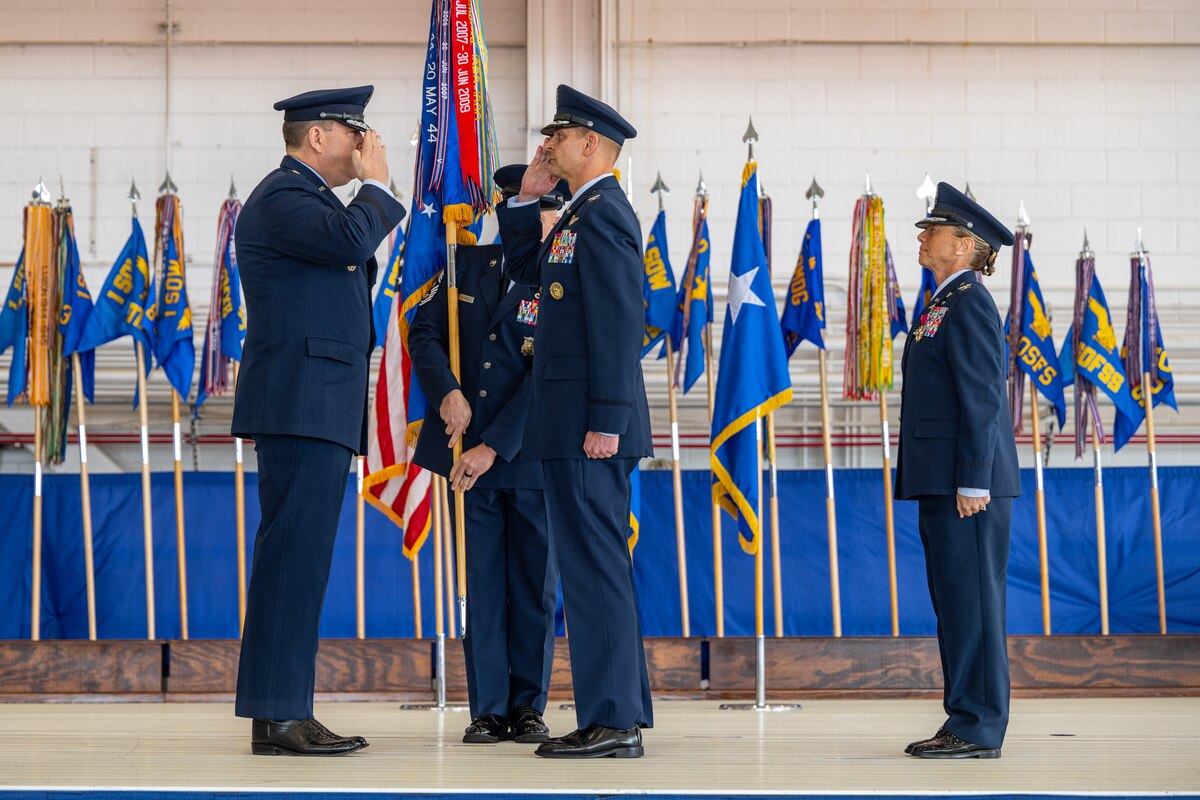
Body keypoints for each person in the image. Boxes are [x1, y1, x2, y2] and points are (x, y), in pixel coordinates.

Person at [231, 85, 406, 756]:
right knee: (291, 562)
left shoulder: (305, 202)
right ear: (318, 139)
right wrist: (380, 185)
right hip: (301, 405)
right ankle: (278, 716)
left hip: (316, 405)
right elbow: (351, 238)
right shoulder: (284, 199)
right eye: (353, 132)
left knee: (299, 564)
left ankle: (285, 710)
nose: (363, 146)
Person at [496, 84, 653, 760]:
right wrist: (527, 199)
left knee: (594, 571)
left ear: (591, 144)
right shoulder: (576, 214)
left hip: (593, 426)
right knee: (587, 573)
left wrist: (610, 419)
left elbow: (620, 321)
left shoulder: (607, 214)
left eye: (557, 137)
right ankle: (610, 712)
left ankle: (614, 721)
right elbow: (528, 271)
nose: (547, 144)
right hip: (567, 425)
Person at [409, 165, 569, 745]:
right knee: (482, 586)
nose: (534, 218)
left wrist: (492, 446)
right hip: (464, 458)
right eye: (521, 206)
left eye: (546, 207)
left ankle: (528, 705)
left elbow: (547, 374)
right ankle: (488, 707)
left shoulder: (559, 277)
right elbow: (420, 332)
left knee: (532, 588)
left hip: (525, 454)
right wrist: (447, 390)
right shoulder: (466, 264)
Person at [895, 182, 1020, 760]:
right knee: (957, 603)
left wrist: (973, 478)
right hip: (944, 478)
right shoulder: (946, 300)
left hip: (966, 485)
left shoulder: (968, 302)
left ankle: (978, 725)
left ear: (965, 245)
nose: (923, 236)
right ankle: (963, 716)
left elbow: (982, 397)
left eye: (934, 230)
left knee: (973, 604)